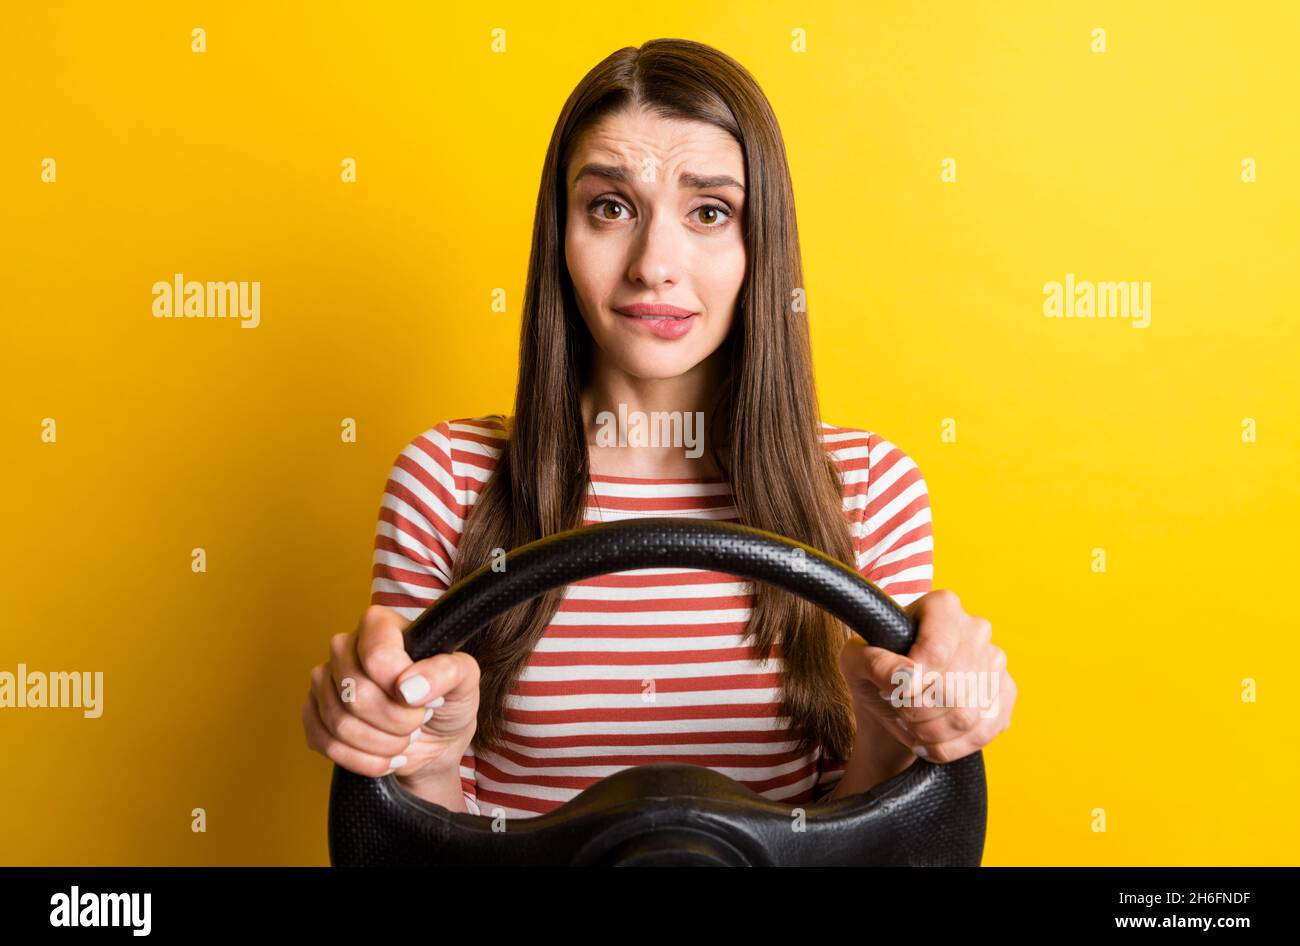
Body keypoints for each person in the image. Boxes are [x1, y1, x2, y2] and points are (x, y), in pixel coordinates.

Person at [303, 38, 1016, 821]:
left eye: (710, 212)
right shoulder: (448, 480)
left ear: (759, 245)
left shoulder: (870, 488)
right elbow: (429, 847)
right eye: (610, 207)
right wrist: (415, 754)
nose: (654, 264)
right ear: (560, 236)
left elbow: (865, 841)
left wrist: (906, 738)